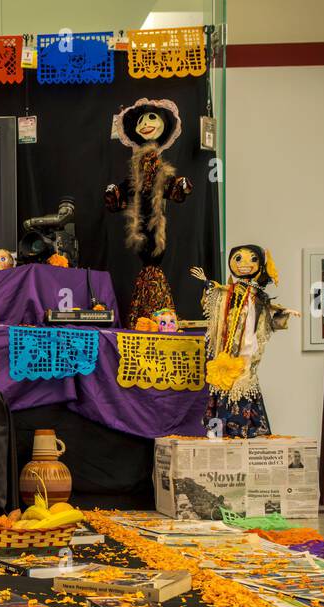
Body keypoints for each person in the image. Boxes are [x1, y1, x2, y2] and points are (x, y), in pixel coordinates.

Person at [190, 245, 299, 438]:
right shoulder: (230, 291)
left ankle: (244, 429)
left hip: (250, 345)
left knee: (246, 379)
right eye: (238, 259)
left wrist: (283, 313)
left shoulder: (260, 296)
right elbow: (216, 299)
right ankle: (220, 429)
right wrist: (207, 284)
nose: (245, 264)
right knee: (226, 381)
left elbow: (268, 319)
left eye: (252, 259)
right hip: (229, 345)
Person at [104, 98, 193, 326]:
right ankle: (142, 315)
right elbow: (125, 191)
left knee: (154, 244)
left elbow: (170, 186)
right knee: (141, 239)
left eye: (151, 118)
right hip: (139, 218)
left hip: (155, 220)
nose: (145, 123)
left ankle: (159, 314)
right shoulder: (136, 169)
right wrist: (115, 192)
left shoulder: (160, 169)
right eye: (141, 120)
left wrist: (179, 186)